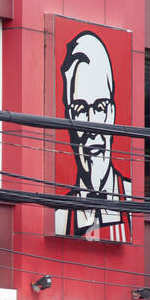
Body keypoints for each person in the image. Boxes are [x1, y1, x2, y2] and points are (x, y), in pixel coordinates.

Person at [53, 31, 132, 241]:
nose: (91, 124)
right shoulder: (59, 217)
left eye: (100, 106)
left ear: (112, 113)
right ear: (68, 116)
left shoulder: (135, 202)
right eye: (80, 109)